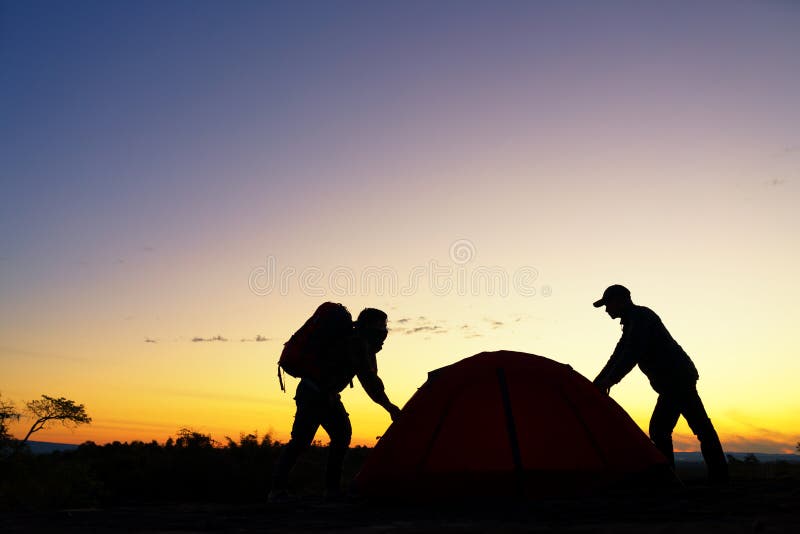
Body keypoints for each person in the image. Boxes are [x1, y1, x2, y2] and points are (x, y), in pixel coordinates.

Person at [591, 284, 729, 484]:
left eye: (608, 304)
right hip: (676, 379)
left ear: (620, 301)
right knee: (697, 427)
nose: (606, 310)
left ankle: (669, 479)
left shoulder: (640, 318)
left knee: (661, 429)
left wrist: (609, 381)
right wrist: (597, 383)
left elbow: (631, 354)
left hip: (676, 379)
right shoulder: (632, 322)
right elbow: (618, 354)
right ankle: (717, 476)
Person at [269, 307, 401, 501]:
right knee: (304, 441)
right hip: (315, 394)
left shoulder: (360, 343)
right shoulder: (357, 343)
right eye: (381, 326)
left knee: (337, 436)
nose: (384, 332)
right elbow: (369, 381)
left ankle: (329, 490)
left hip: (323, 394)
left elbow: (371, 379)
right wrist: (389, 407)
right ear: (369, 326)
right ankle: (279, 491)